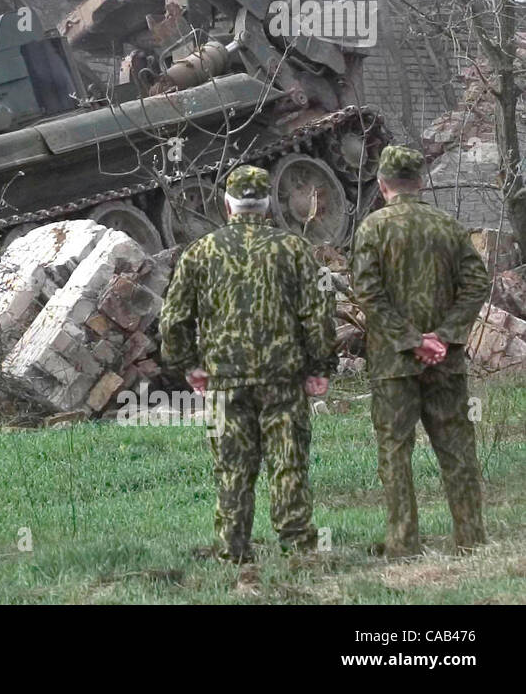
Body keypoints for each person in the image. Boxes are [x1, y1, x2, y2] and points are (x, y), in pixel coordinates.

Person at [160, 164, 336, 562]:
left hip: (225, 381)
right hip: (283, 379)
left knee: (232, 468)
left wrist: (189, 365)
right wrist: (319, 366)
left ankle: (233, 549)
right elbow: (317, 313)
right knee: (288, 461)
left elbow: (173, 319)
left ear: (227, 205)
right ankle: (299, 546)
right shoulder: (293, 250)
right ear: (269, 205)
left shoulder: (200, 253)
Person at [350, 144, 490, 559]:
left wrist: (412, 340)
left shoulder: (372, 229)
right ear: (421, 181)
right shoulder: (448, 225)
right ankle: (470, 536)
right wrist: (444, 336)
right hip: (446, 360)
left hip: (394, 364)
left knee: (395, 450)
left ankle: (403, 542)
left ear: (382, 184)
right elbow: (477, 284)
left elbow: (367, 292)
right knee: (458, 447)